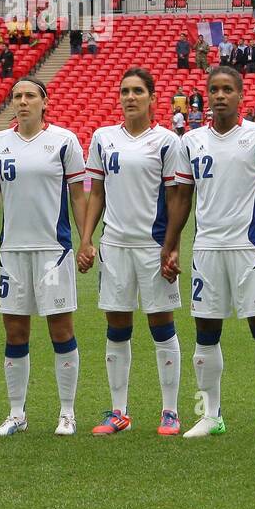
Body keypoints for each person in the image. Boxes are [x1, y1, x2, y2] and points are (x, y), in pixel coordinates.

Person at [161, 66, 255, 438]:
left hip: (248, 248)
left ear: (240, 95)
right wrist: (171, 246)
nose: (219, 96)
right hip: (206, 249)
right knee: (205, 333)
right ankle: (210, 415)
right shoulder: (190, 141)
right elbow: (182, 198)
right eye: (213, 90)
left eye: (226, 90)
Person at [0, 78, 90, 436]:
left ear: (44, 102)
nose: (22, 102)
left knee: (61, 328)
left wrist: (86, 240)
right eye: (17, 97)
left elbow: (78, 195)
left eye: (29, 96)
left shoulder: (64, 141)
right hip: (12, 252)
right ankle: (16, 414)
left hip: (53, 252)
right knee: (15, 331)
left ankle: (67, 413)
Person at [77, 68, 185, 436]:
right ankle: (118, 411)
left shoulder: (168, 141)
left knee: (161, 325)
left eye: (138, 91)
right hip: (115, 245)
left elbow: (176, 198)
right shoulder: (103, 139)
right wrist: (87, 239)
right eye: (125, 90)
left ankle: (170, 411)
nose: (130, 97)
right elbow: (97, 192)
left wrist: (172, 248)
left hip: (153, 246)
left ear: (153, 97)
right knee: (117, 325)